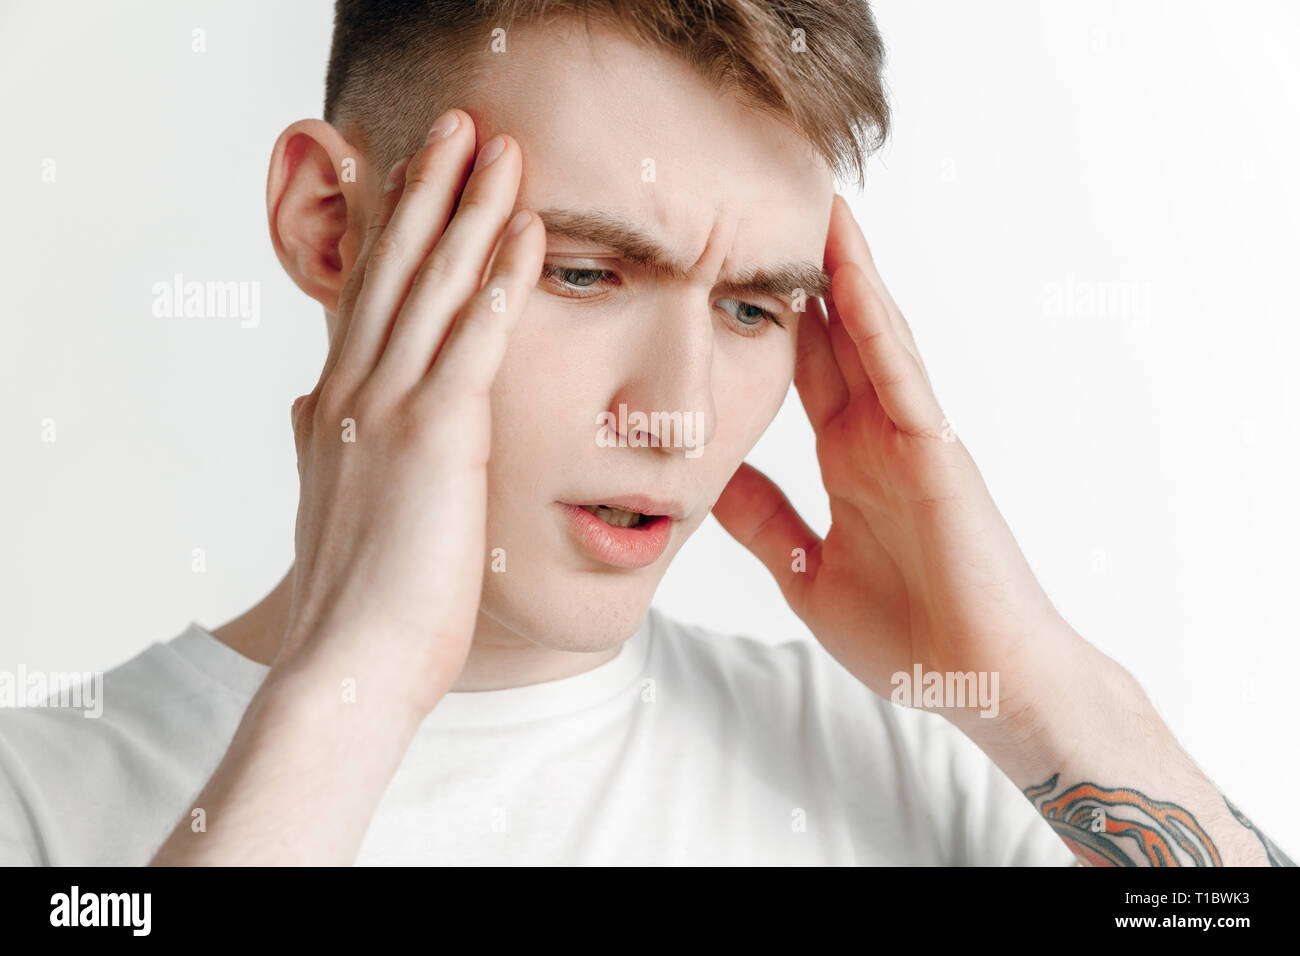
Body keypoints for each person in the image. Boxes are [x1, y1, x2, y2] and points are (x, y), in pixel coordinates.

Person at [1, 0, 1291, 867]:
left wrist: (1054, 700)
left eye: (750, 307)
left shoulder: (922, 767)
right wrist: (360, 685)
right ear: (330, 228)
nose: (678, 416)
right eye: (582, 274)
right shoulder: (39, 806)